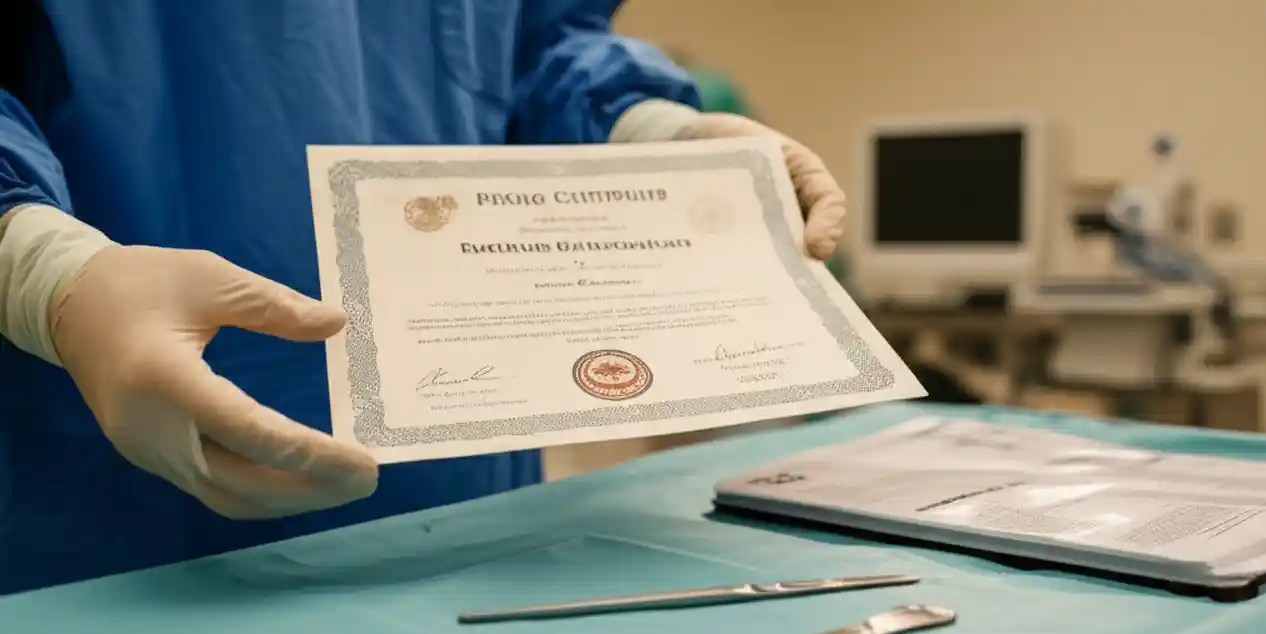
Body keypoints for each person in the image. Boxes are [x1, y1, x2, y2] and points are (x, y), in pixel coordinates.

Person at [0, 1, 847, 595]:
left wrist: (651, 132)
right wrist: (46, 273)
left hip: (472, 506)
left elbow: (535, 48)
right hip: (98, 518)